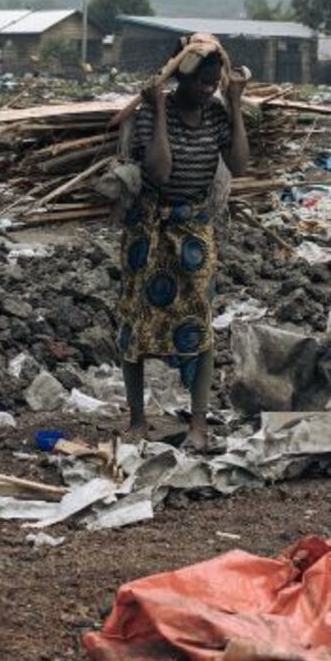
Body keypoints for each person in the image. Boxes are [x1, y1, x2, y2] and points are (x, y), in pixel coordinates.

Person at [116, 36, 251, 447]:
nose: (207, 90)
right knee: (136, 323)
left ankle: (198, 425)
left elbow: (240, 164)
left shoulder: (215, 113)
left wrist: (235, 105)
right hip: (149, 230)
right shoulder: (151, 112)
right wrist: (158, 109)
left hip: (194, 231)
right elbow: (158, 169)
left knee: (199, 325)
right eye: (200, 83)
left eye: (214, 83)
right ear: (181, 80)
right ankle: (137, 420)